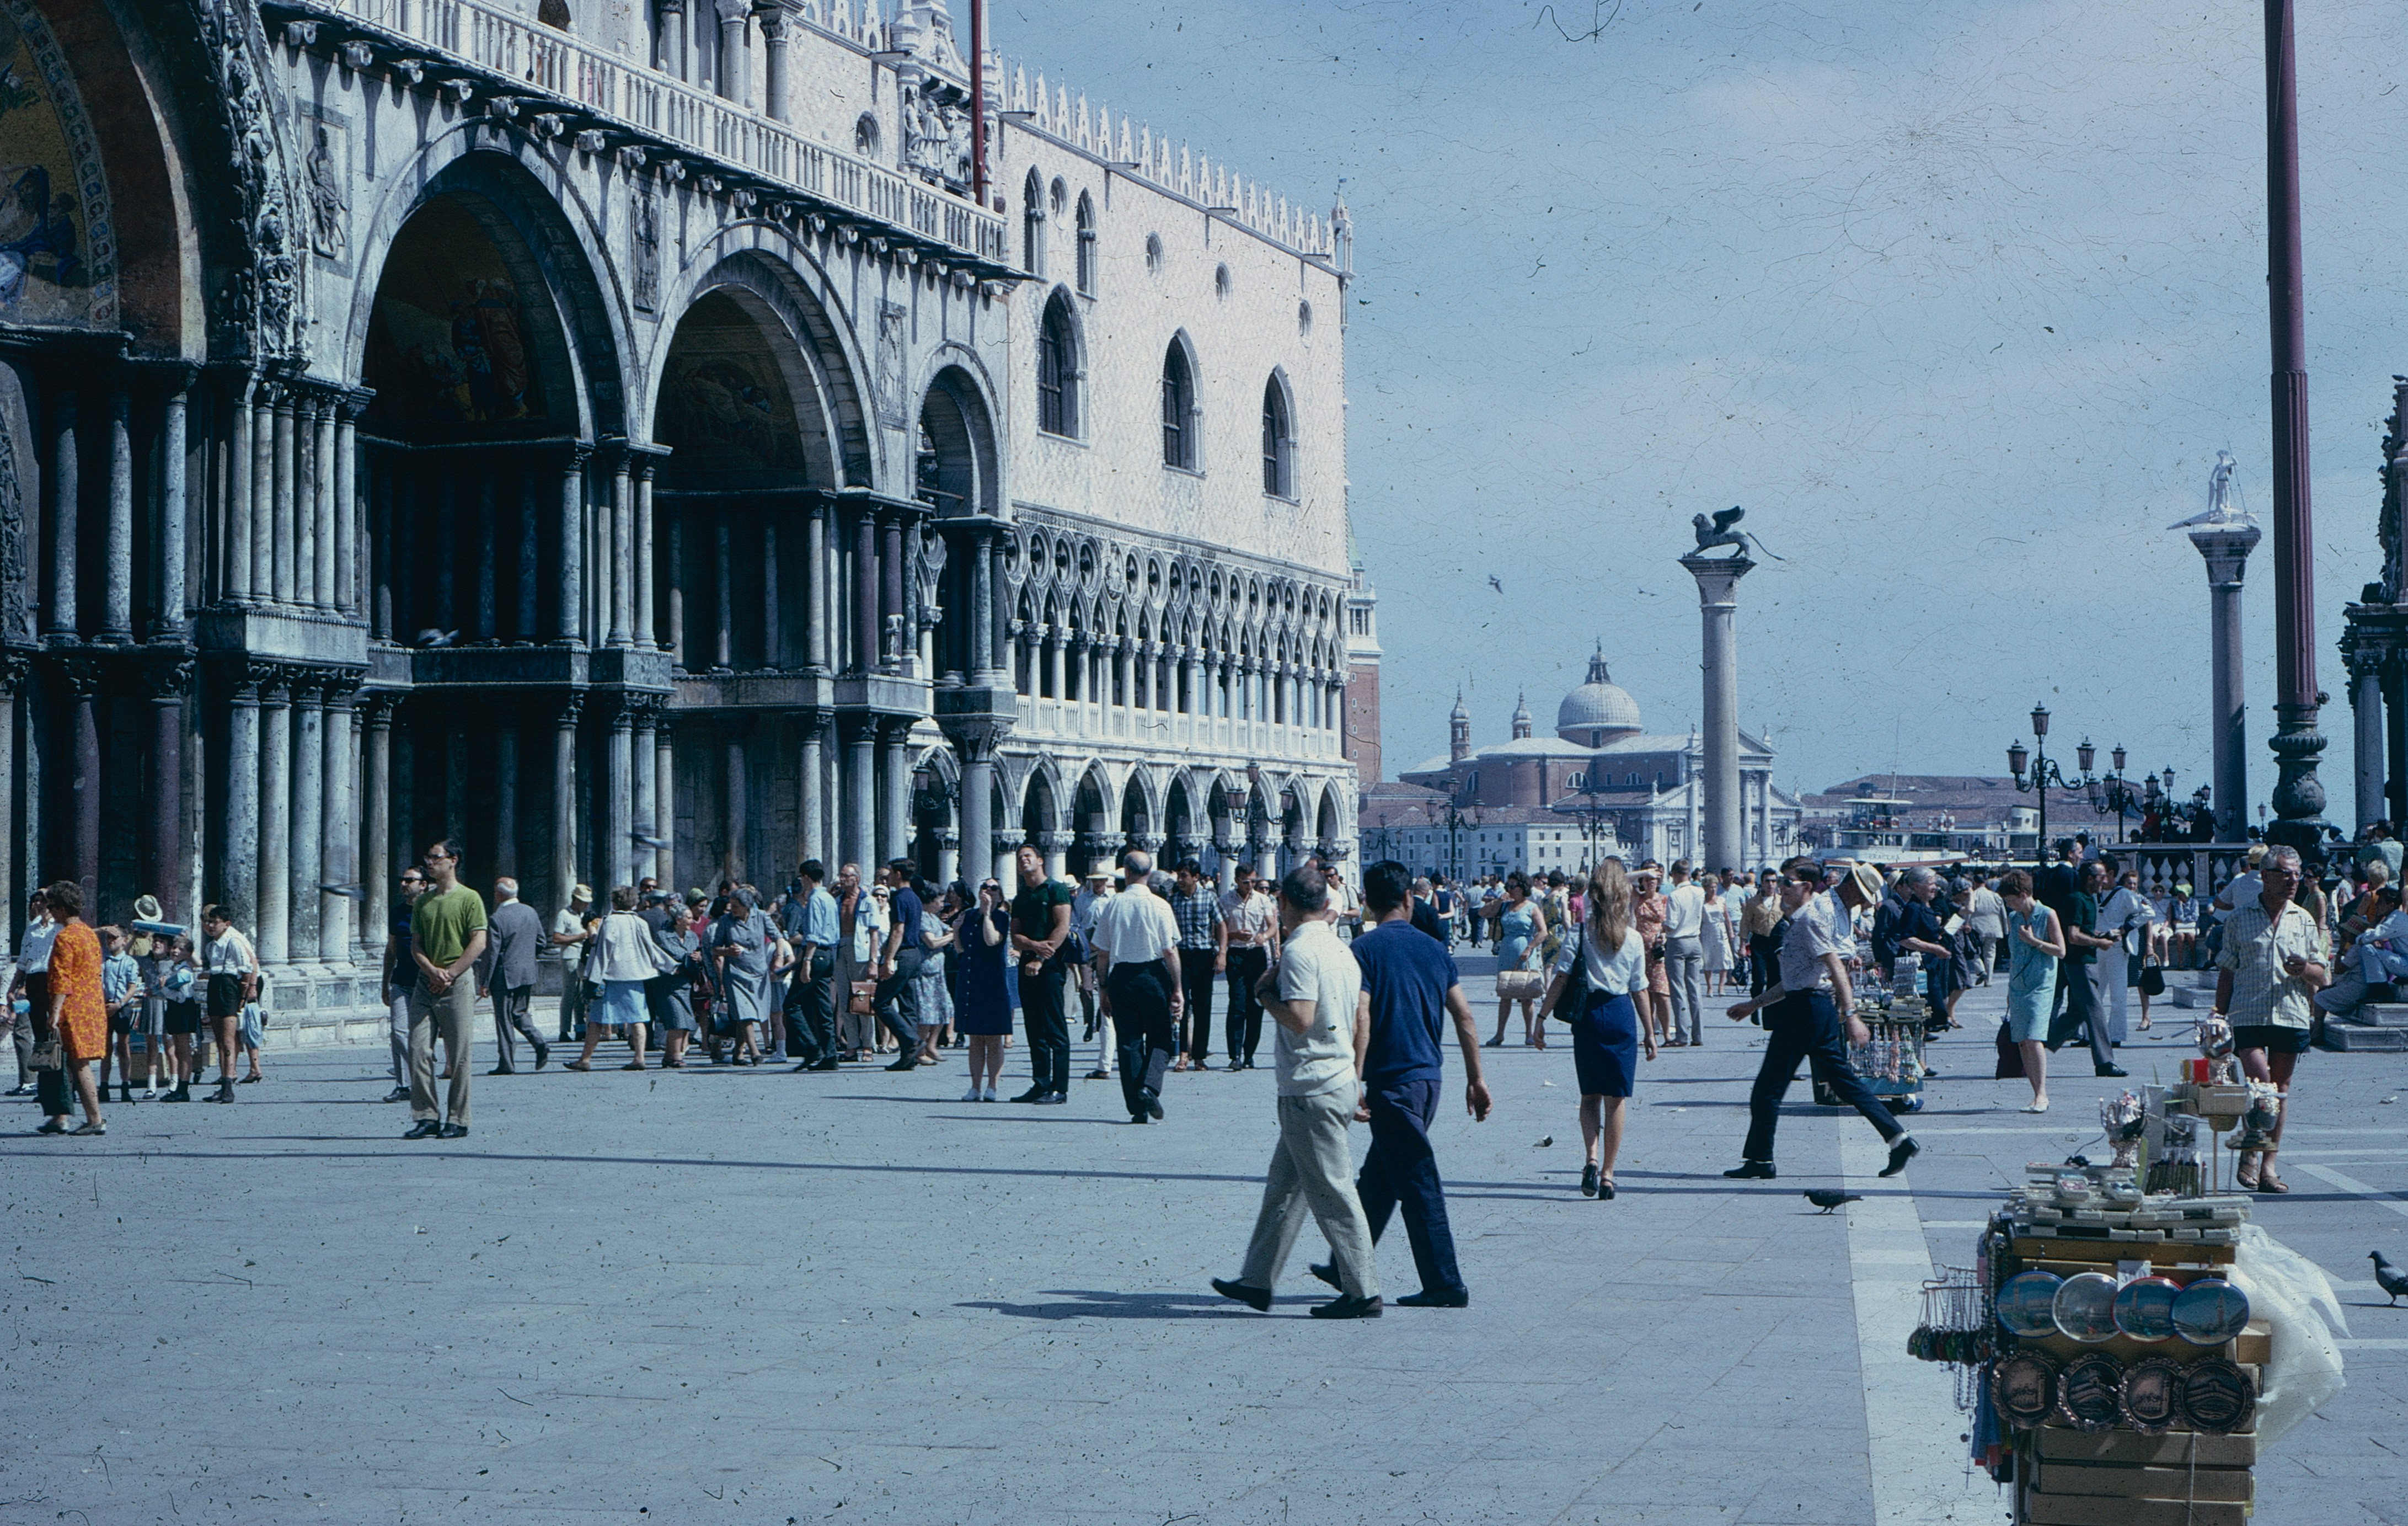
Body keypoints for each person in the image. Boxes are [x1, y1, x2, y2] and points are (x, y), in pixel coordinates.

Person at [1302, 859, 1492, 1303]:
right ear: (1409, 899)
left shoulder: (1363, 950)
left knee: (1417, 1181)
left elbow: (1361, 1017)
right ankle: (1342, 1265)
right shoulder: (1435, 950)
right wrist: (1476, 1078)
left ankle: (1445, 1282)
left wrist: (1354, 1078)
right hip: (1429, 1081)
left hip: (1393, 1082)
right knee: (1381, 1177)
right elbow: (1464, 1016)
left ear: (1366, 902)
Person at [1211, 865, 1381, 1319]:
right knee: (1284, 1188)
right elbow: (1361, 1016)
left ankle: (1363, 1289)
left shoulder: (1300, 952)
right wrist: (1357, 1077)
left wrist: (1264, 996)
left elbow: (1302, 1018)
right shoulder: (1341, 949)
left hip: (1311, 1086)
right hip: (1336, 1079)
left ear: (1284, 904)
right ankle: (1256, 1280)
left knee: (1334, 1190)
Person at [1720, 858, 1921, 1180]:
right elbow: (1797, 978)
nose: (1782, 889)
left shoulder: (1811, 919)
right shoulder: (1809, 918)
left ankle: (1760, 1160)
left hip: (1806, 1011)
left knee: (1768, 1089)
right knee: (1844, 1082)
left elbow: (1834, 966)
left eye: (1789, 883)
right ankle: (1899, 1139)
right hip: (1813, 1007)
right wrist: (1753, 1004)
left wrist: (1853, 1014)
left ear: (1807, 888)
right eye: (1781, 883)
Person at [2214, 845, 2327, 1193]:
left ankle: (2268, 1166)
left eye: (2296, 873)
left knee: (2280, 1092)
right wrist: (2218, 1016)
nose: (2293, 880)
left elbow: (2323, 975)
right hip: (2248, 1009)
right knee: (2260, 1082)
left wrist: (2305, 969)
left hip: (2290, 1011)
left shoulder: (2303, 919)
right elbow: (2227, 971)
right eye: (2285, 873)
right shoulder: (2238, 919)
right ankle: (2251, 1144)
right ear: (2264, 876)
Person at [1540, 858, 1652, 1199]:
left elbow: (1560, 978)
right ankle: (1608, 1174)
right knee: (1616, 1100)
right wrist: (1651, 1032)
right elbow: (1640, 988)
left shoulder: (1579, 933)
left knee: (1589, 1096)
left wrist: (1540, 1018)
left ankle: (1589, 1157)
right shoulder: (1632, 938)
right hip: (1620, 1015)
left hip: (1588, 1015)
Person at [1089, 849, 1185, 1123]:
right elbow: (1170, 951)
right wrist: (1177, 988)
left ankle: (1137, 1108)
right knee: (1162, 1037)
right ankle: (1150, 1086)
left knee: (1129, 1043)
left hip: (1122, 977)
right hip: (1153, 975)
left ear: (1127, 872)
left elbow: (1103, 953)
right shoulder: (1160, 906)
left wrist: (1104, 988)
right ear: (1150, 873)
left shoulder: (1113, 904)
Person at [405, 840, 487, 1139]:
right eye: (427, 857)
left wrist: (450, 974)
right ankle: (426, 1116)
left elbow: (479, 941)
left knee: (460, 1054)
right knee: (417, 1049)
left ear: (453, 860)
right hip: (426, 982)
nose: (429, 862)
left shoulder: (470, 898)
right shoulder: (423, 902)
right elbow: (416, 944)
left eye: (435, 857)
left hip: (458, 981)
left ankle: (458, 1118)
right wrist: (431, 971)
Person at [29, 882, 106, 1135]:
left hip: (72, 1008)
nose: (50, 911)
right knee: (72, 1063)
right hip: (91, 1004)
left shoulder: (65, 937)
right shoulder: (88, 934)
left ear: (62, 909)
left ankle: (95, 1119)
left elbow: (62, 980)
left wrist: (54, 1012)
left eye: (52, 907)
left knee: (77, 1063)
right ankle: (61, 1116)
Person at [1007, 842, 1076, 1103]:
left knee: (1055, 1027)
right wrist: (1033, 946)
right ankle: (1040, 1083)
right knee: (1034, 1027)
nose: (1023, 861)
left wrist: (1039, 956)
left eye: (1028, 856)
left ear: (1040, 860)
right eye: (1020, 857)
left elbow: (1062, 927)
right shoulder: (1022, 896)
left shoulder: (1055, 889)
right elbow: (1015, 936)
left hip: (1050, 967)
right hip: (1026, 964)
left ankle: (1060, 1088)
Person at [569, 886, 661, 1071]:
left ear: (615, 902)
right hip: (635, 976)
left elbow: (604, 951)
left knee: (597, 1017)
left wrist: (594, 976)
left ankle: (585, 1059)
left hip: (610, 977)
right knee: (638, 1018)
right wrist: (666, 965)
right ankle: (639, 1057)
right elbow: (651, 948)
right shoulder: (640, 922)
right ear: (634, 903)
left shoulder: (610, 921)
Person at [2049, 859, 2127, 1076]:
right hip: (2079, 964)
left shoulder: (2088, 899)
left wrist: (2103, 936)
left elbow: (2082, 932)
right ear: (2090, 878)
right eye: (2102, 877)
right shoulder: (2077, 900)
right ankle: (2104, 1062)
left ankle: (2040, 1043)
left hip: (2085, 962)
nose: (2106, 880)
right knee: (2095, 1010)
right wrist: (2099, 942)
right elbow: (2073, 936)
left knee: (2076, 1014)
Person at [1997, 870, 2064, 1112]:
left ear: (2024, 894)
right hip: (2018, 985)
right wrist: (2009, 987)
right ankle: (2035, 1092)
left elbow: (2061, 950)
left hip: (2041, 983)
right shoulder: (2014, 918)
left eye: (2012, 900)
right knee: (2022, 1041)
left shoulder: (2047, 915)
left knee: (2035, 1037)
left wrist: (2035, 941)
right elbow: (2014, 955)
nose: (2010, 905)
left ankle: (2043, 1094)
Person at [480, 878, 552, 1075]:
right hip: (527, 972)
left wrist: (484, 981)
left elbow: (492, 953)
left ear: (499, 895)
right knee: (519, 1013)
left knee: (504, 1019)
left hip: (504, 974)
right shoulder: (531, 912)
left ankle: (507, 1062)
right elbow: (541, 942)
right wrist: (526, 958)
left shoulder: (497, 918)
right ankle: (539, 1042)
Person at [705, 886, 780, 1067]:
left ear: (748, 906)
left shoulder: (761, 916)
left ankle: (738, 1052)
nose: (732, 909)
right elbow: (714, 948)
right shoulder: (725, 921)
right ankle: (754, 1052)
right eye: (731, 905)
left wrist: (779, 957)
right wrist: (727, 951)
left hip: (759, 973)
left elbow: (778, 937)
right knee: (745, 1012)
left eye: (736, 905)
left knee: (751, 1014)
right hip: (736, 974)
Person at [954, 879, 1013, 1100]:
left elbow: (992, 941)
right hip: (971, 979)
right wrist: (956, 931)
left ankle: (992, 1087)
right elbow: (961, 950)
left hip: (993, 982)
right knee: (975, 1038)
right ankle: (975, 1087)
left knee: (993, 1038)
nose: (988, 891)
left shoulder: (1002, 917)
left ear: (1000, 895)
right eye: (984, 887)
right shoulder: (969, 916)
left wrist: (988, 914)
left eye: (994, 888)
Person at [783, 860, 842, 1071]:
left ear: (806, 877)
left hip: (816, 954)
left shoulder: (816, 900)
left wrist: (806, 961)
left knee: (791, 1003)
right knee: (824, 1006)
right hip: (829, 954)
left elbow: (814, 934)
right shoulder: (829, 898)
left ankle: (811, 1047)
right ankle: (830, 1054)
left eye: (801, 877)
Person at [1168, 860, 1226, 1071]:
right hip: (1181, 957)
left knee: (1203, 1007)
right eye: (1179, 876)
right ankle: (1183, 1054)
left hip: (1203, 957)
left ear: (1196, 877)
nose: (1180, 880)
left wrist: (1222, 954)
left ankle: (1199, 1056)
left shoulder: (1209, 898)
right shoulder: (1173, 901)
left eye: (1184, 876)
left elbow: (1221, 924)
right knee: (1181, 1005)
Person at [198, 904, 258, 1105]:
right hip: (215, 985)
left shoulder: (233, 942)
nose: (211, 926)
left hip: (229, 987)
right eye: (209, 922)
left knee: (228, 1040)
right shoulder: (211, 946)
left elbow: (248, 968)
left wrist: (243, 996)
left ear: (226, 924)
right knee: (218, 1039)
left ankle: (229, 1085)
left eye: (215, 922)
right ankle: (223, 1084)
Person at [1221, 865, 1279, 1069]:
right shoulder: (1226, 900)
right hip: (1236, 953)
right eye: (1246, 882)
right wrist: (1234, 935)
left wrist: (1265, 935)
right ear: (1237, 880)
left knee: (1256, 1004)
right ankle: (1234, 1054)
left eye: (1253, 881)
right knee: (1237, 1003)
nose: (1250, 886)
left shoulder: (1262, 900)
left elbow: (1273, 925)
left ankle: (1249, 1054)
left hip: (1256, 954)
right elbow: (1218, 931)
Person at [1483, 871, 1549, 1048]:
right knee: (1505, 992)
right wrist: (1498, 901)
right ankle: (1499, 1034)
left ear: (1523, 888)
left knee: (1527, 994)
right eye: (1508, 886)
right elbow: (1483, 913)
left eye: (1514, 886)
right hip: (1507, 950)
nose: (1510, 890)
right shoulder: (1505, 906)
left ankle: (1529, 1034)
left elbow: (1543, 931)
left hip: (1525, 950)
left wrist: (1530, 948)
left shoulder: (1532, 907)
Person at [1072, 867, 1116, 1080]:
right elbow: (1076, 923)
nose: (1098, 884)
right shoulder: (1082, 900)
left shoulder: (1113, 899)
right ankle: (1090, 1022)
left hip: (1107, 947)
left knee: (1105, 993)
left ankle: (1098, 1021)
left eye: (1101, 880)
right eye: (1094, 881)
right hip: (1088, 946)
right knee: (1086, 988)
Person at [2100, 866, 2154, 1037]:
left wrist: (2148, 944)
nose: (2132, 886)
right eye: (2129, 883)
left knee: (2137, 982)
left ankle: (2145, 1016)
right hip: (2111, 944)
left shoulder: (2139, 899)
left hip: (2131, 944)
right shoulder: (2115, 895)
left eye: (2135, 884)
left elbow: (2149, 918)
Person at [1660, 859, 1708, 1045]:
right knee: (1695, 988)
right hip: (1695, 941)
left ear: (1675, 874)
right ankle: (1699, 1035)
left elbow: (1671, 925)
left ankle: (1682, 1035)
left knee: (1678, 989)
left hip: (1678, 943)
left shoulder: (1675, 895)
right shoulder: (1700, 892)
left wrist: (1662, 928)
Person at [156, 935, 201, 1102]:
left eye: (181, 949)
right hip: (175, 1010)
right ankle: (179, 1088)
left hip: (183, 1011)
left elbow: (182, 997)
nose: (175, 951)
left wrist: (164, 990)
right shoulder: (175, 969)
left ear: (188, 954)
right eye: (174, 947)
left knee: (183, 1051)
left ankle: (183, 1089)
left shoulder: (185, 971)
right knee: (178, 1050)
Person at [99, 926, 140, 1106]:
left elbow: (133, 986)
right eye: (108, 938)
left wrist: (120, 1003)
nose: (111, 941)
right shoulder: (103, 962)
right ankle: (104, 1086)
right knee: (105, 1049)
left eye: (115, 938)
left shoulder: (130, 962)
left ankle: (125, 1084)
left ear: (124, 940)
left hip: (122, 1007)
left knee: (123, 1046)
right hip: (105, 1006)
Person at [550, 883, 594, 1042]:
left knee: (581, 994)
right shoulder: (564, 915)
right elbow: (557, 938)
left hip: (582, 957)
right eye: (584, 901)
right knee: (569, 994)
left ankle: (580, 1029)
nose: (587, 905)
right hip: (570, 956)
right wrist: (580, 937)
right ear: (575, 899)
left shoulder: (584, 916)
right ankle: (564, 1030)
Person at [1632, 865, 1669, 1047]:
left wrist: (1665, 935)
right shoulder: (1637, 899)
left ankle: (1667, 1032)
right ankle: (1650, 1033)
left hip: (1657, 951)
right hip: (1640, 950)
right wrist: (1643, 872)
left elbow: (1670, 923)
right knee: (1644, 992)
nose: (1650, 883)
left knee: (1661, 992)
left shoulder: (1665, 900)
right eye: (1647, 880)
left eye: (1653, 879)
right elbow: (1623, 880)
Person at [1742, 872, 1785, 999]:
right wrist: (1742, 946)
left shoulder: (1782, 901)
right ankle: (1755, 1003)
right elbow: (1745, 924)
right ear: (1762, 883)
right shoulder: (1753, 902)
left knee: (1774, 980)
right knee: (1759, 980)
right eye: (1767, 881)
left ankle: (1770, 1012)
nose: (1770, 884)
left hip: (1777, 943)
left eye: (1773, 881)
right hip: (1759, 942)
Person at [1966, 876, 2006, 982]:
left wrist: (1966, 924)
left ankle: (1981, 970)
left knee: (1974, 952)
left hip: (1976, 928)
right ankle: (1989, 980)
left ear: (1974, 883)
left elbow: (1969, 911)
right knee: (1990, 954)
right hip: (1994, 928)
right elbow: (2003, 914)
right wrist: (2005, 930)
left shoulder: (1974, 895)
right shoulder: (1995, 896)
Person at [1700, 872, 1733, 996]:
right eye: (1710, 887)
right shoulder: (1701, 902)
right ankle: (1710, 987)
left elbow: (1727, 917)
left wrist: (1730, 931)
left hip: (1721, 931)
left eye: (1715, 887)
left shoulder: (1721, 900)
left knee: (1724, 958)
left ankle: (1721, 986)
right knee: (1708, 959)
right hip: (1707, 931)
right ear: (1705, 888)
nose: (1713, 889)